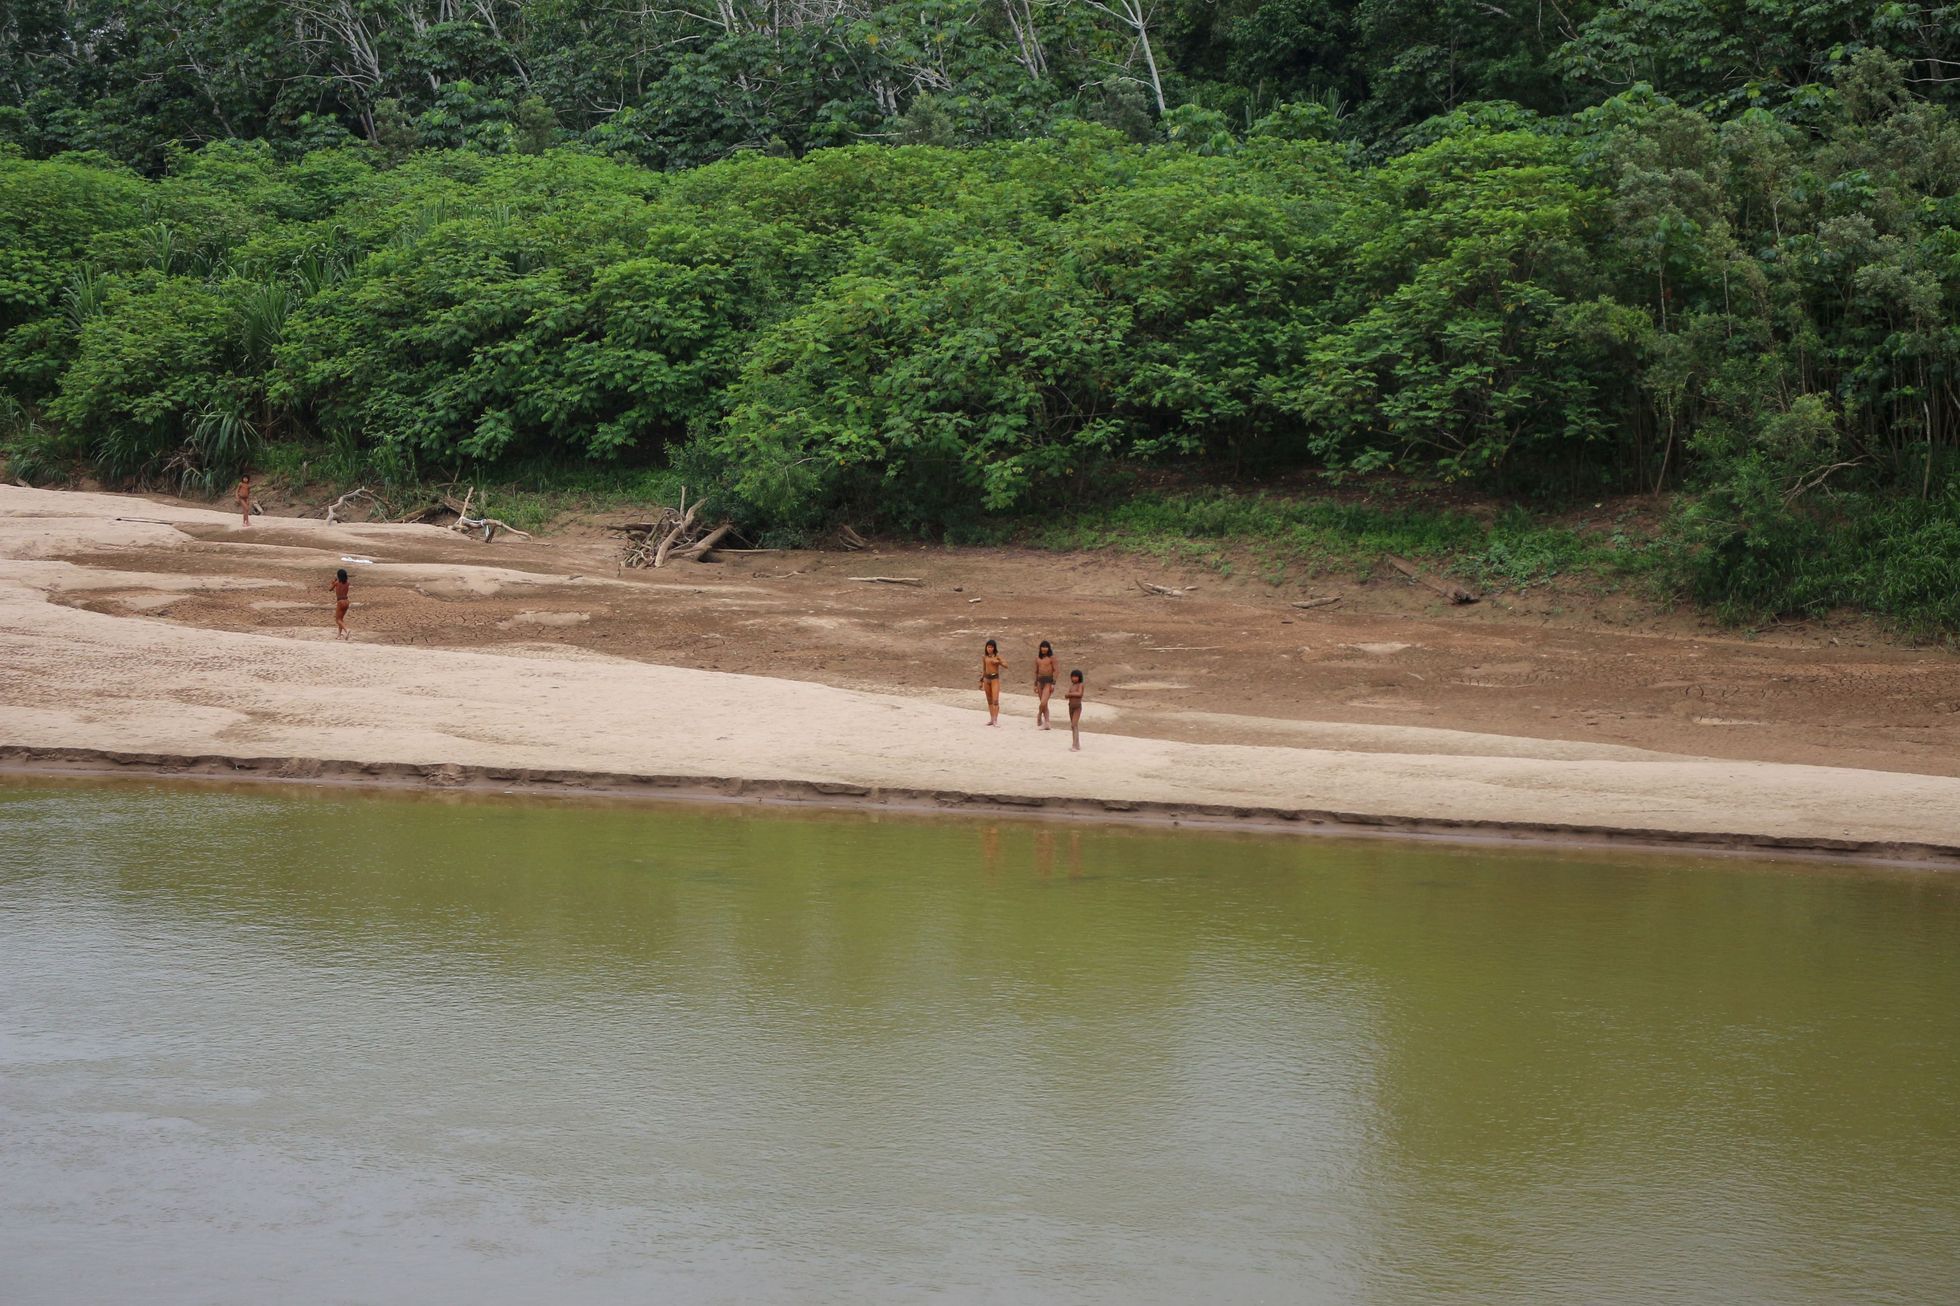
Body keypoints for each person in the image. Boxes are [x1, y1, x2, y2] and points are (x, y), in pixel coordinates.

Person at [1033, 639, 1058, 730]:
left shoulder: (1052, 658)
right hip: (1040, 682)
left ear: (1048, 648)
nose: (1044, 649)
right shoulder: (1037, 658)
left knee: (1043, 702)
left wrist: (1053, 683)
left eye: (1046, 647)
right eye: (1042, 647)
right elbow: (1036, 671)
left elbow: (1056, 671)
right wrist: (1035, 684)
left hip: (1048, 682)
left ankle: (1039, 714)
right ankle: (1047, 722)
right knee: (1044, 704)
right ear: (1040, 648)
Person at [978, 639, 1004, 726]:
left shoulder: (997, 656)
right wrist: (981, 680)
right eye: (988, 647)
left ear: (994, 648)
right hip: (986, 679)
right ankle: (992, 719)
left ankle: (996, 720)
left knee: (995, 700)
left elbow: (1006, 665)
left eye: (991, 647)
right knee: (989, 700)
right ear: (986, 647)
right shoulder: (984, 657)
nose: (990, 648)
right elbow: (984, 669)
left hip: (994, 679)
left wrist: (998, 662)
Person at [328, 567, 350, 640]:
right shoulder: (347, 583)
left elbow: (330, 589)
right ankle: (339, 635)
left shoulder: (337, 583)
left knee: (338, 620)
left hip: (340, 601)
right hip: (346, 601)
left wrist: (332, 582)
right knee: (341, 619)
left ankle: (346, 630)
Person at [1066, 669, 1085, 751]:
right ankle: (1077, 744)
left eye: (1076, 677)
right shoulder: (1072, 685)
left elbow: (1080, 694)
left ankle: (1075, 745)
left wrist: (1069, 694)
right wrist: (1067, 696)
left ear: (1079, 677)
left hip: (1077, 707)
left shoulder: (1080, 685)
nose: (1074, 678)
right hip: (1071, 706)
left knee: (1074, 724)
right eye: (1073, 677)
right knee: (1073, 726)